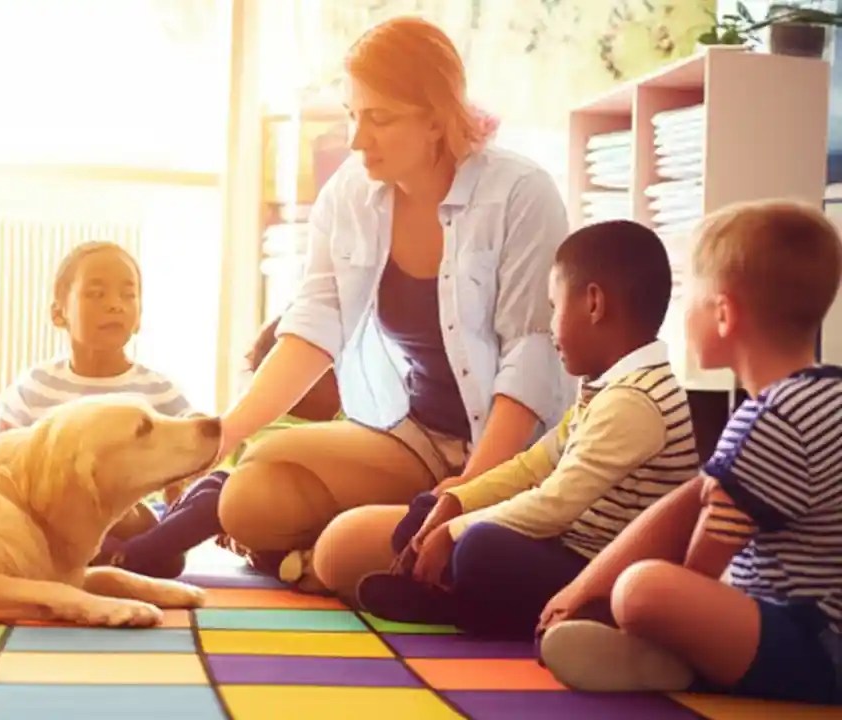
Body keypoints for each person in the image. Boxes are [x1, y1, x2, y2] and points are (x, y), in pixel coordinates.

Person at [215, 15, 571, 588]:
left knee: (338, 553)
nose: (357, 139)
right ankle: (393, 546)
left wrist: (473, 489)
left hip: (513, 452)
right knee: (248, 494)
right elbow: (313, 324)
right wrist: (225, 434)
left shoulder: (521, 193)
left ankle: (363, 552)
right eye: (354, 115)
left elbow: (533, 355)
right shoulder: (350, 194)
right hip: (418, 437)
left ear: (436, 119)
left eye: (379, 119)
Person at [313, 221, 697, 638]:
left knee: (481, 550)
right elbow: (533, 466)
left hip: (599, 570)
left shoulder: (633, 401)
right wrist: (457, 503)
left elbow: (555, 503)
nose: (551, 329)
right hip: (568, 542)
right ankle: (445, 588)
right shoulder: (606, 388)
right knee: (433, 505)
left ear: (592, 304)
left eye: (554, 308)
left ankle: (461, 602)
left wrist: (458, 531)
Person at [538, 200, 842, 706]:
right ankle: (670, 659)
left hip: (814, 644)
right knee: (675, 544)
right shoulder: (823, 394)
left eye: (689, 299)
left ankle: (673, 658)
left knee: (645, 588)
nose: (681, 316)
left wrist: (663, 615)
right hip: (813, 626)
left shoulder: (769, 419)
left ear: (722, 315)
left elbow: (700, 564)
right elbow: (703, 501)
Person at [96, 314, 341, 578]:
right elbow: (220, 463)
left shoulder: (348, 422)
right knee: (215, 483)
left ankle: (130, 557)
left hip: (314, 524)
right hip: (263, 529)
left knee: (216, 495)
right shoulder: (264, 416)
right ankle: (156, 544)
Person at [0, 240, 195, 544]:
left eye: (128, 295)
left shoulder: (160, 394)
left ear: (139, 316)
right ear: (59, 314)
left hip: (137, 528)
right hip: (49, 534)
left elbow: (184, 478)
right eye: (96, 294)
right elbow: (7, 478)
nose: (116, 304)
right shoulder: (32, 390)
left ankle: (131, 555)